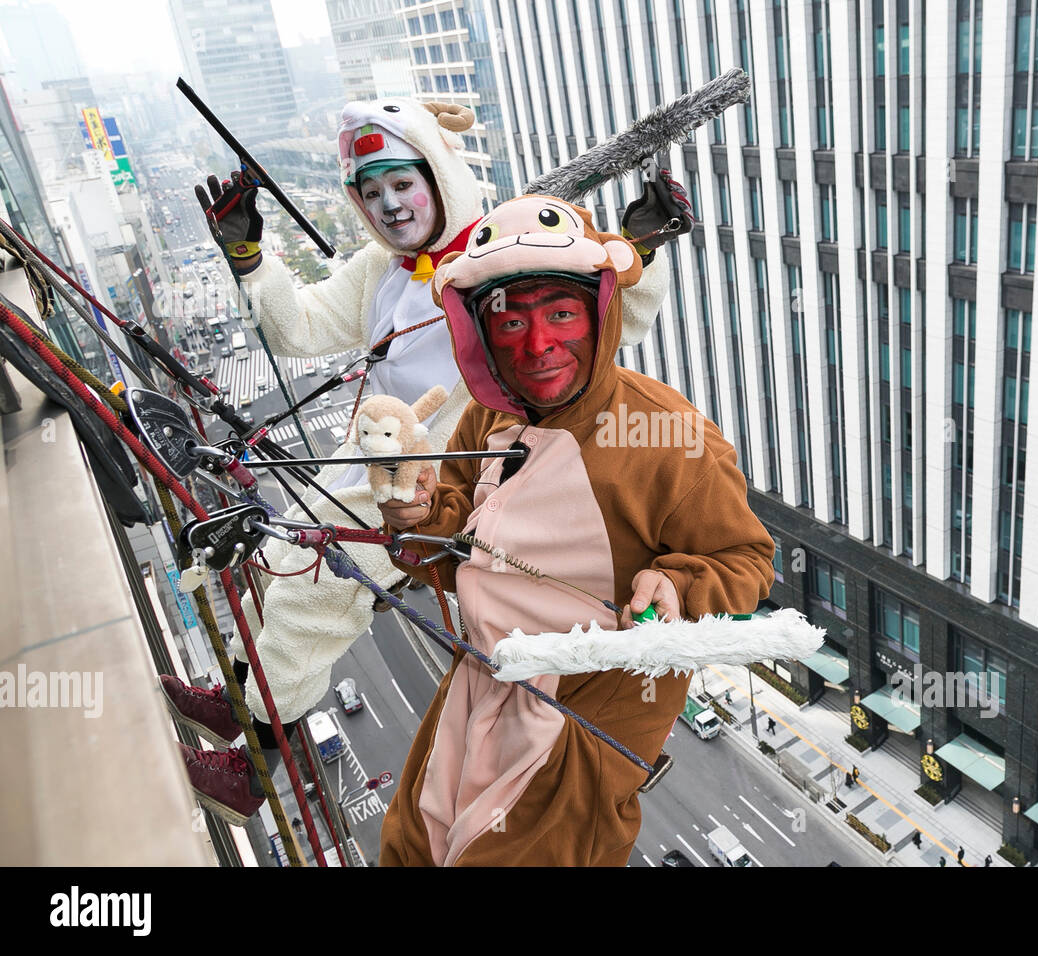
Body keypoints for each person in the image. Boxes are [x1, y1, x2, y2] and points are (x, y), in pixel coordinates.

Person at [164, 98, 689, 828]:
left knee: (315, 597)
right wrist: (251, 259)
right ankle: (235, 701)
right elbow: (299, 329)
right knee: (281, 572)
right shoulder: (381, 271)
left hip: (432, 482)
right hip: (366, 454)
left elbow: (602, 323)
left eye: (403, 183)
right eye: (372, 192)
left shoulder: (497, 262)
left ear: (437, 178)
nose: (390, 205)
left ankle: (253, 768)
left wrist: (640, 253)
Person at [374, 195, 774, 866]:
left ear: (599, 314)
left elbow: (746, 561)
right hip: (479, 684)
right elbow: (451, 554)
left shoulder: (668, 433)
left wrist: (676, 584)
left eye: (561, 314)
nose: (537, 346)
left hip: (585, 722)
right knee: (412, 845)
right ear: (480, 333)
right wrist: (416, 515)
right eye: (509, 324)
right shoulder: (485, 418)